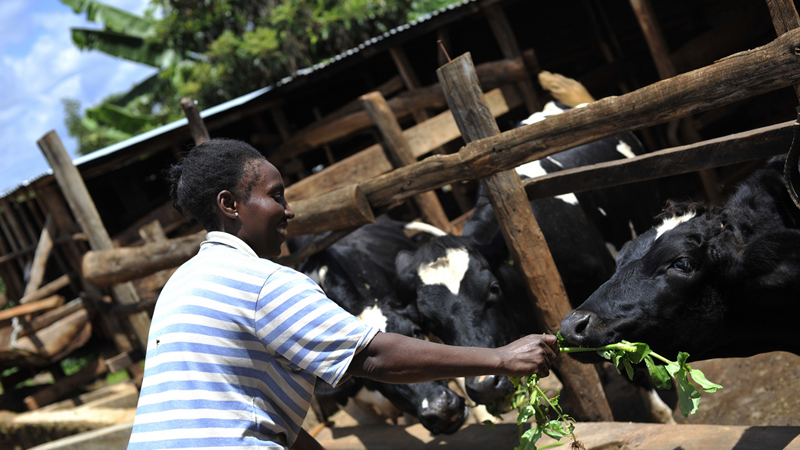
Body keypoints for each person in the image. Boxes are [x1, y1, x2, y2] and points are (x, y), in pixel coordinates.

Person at [127, 138, 560, 450]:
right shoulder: (262, 282)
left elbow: (249, 416)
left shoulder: (179, 286)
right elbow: (373, 356)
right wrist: (501, 357)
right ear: (229, 204)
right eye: (276, 196)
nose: (289, 210)